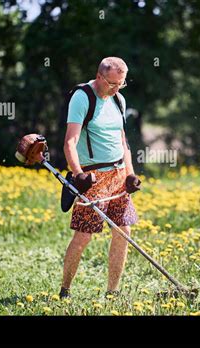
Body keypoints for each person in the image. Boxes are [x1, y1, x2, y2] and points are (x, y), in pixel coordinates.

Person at [60, 57, 141, 299]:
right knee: (84, 236)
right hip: (92, 178)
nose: (116, 89)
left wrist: (130, 173)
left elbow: (122, 140)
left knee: (123, 231)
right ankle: (65, 290)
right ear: (99, 76)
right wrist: (78, 174)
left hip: (117, 176)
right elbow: (70, 142)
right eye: (112, 83)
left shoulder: (118, 99)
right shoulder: (82, 97)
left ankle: (112, 292)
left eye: (121, 84)